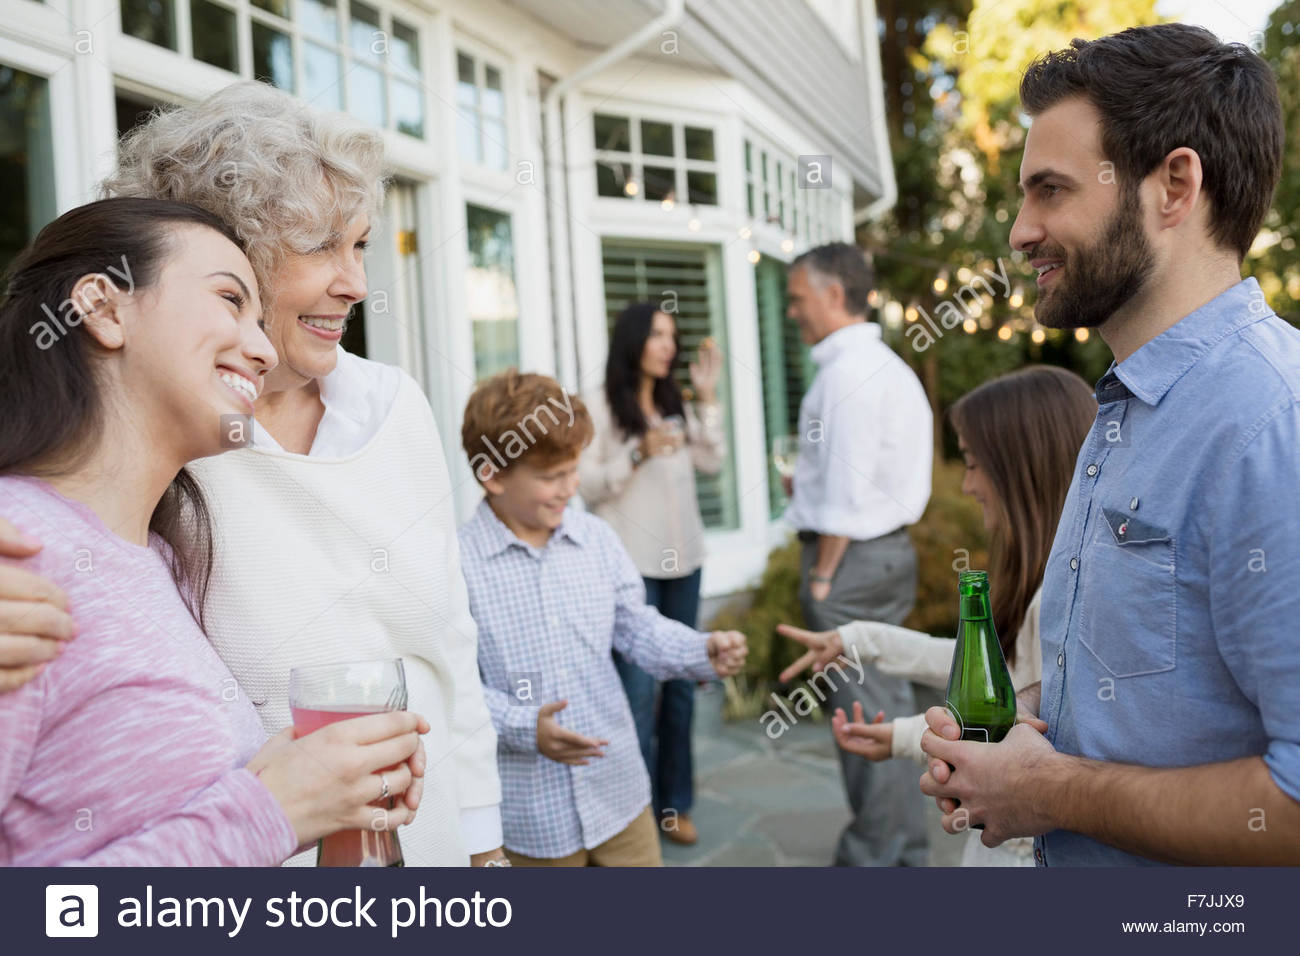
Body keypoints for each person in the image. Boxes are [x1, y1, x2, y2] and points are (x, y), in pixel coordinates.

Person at [0, 82, 505, 866]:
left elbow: (450, 645)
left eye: (362, 244)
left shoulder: (393, 407)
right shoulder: (155, 460)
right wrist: (274, 810)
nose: (356, 282)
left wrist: (482, 845)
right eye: (319, 245)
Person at [918, 23, 1300, 866]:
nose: (1020, 232)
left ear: (1173, 186)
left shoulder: (1272, 424)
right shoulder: (1124, 412)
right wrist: (1018, 741)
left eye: (1050, 191)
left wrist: (1046, 790)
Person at [776, 366, 1095, 866]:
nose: (966, 484)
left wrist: (902, 736)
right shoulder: (1045, 575)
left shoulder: (1055, 598)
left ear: (1019, 469)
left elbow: (1003, 716)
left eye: (972, 464)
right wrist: (859, 640)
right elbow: (996, 673)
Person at [457, 369, 747, 866]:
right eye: (551, 477)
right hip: (530, 821)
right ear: (493, 474)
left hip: (620, 798)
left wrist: (700, 650)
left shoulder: (596, 539)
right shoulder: (456, 567)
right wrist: (527, 726)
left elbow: (637, 628)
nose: (570, 488)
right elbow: (456, 687)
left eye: (573, 470)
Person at [782, 241, 934, 866]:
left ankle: (872, 859)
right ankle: (905, 854)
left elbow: (846, 495)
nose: (792, 312)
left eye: (797, 299)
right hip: (882, 555)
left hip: (849, 565)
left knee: (863, 721)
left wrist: (821, 578)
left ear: (834, 295)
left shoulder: (846, 375)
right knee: (885, 711)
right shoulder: (881, 366)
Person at [579, 302, 726, 846]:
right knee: (637, 694)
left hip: (684, 562)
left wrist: (707, 399)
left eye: (673, 336)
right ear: (634, 340)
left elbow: (714, 461)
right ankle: (632, 812)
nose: (668, 345)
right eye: (658, 335)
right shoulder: (599, 405)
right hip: (630, 567)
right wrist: (637, 453)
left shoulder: (674, 403)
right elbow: (585, 484)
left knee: (683, 687)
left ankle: (675, 805)